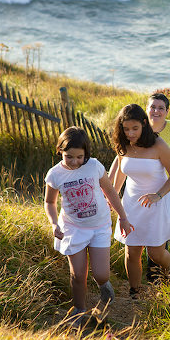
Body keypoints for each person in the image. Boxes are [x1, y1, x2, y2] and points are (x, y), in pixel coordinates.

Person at [44, 126, 132, 326]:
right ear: (60, 151)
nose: (75, 162)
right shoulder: (55, 174)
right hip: (73, 228)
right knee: (78, 275)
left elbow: (110, 191)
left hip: (99, 226)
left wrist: (123, 217)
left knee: (101, 273)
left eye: (79, 157)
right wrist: (53, 223)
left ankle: (105, 287)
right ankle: (79, 309)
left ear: (87, 154)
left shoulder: (94, 166)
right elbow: (49, 202)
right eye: (69, 157)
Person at [110, 104, 170, 298]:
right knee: (132, 251)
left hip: (157, 201)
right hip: (132, 203)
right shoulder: (123, 145)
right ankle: (135, 292)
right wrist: (113, 197)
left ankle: (168, 270)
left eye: (134, 128)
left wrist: (157, 195)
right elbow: (119, 175)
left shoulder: (158, 145)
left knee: (156, 254)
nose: (130, 133)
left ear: (143, 124)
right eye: (125, 129)